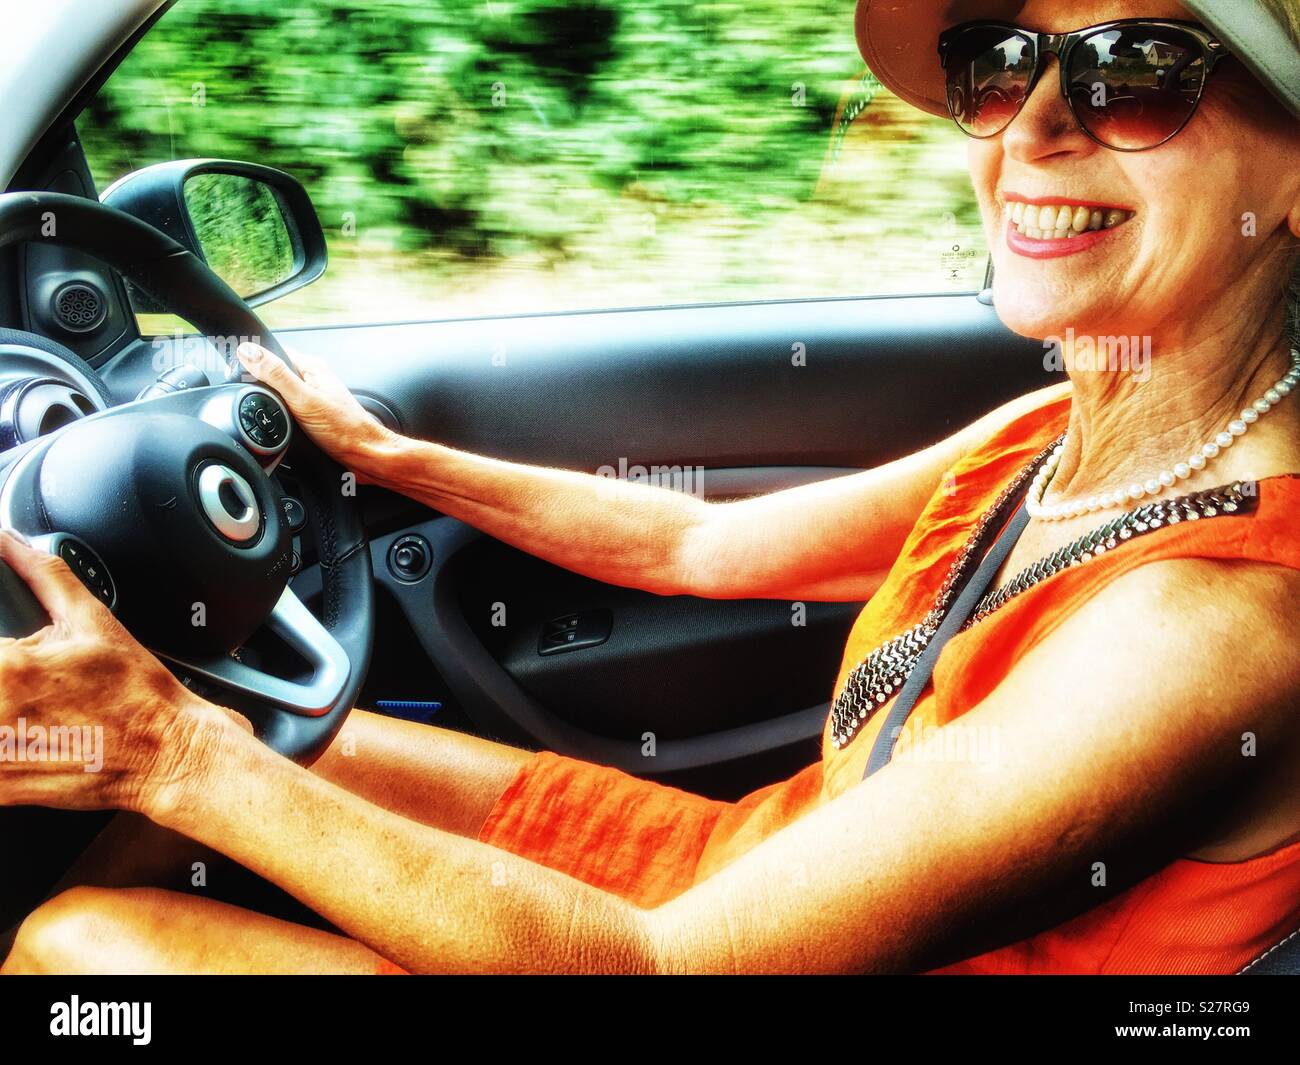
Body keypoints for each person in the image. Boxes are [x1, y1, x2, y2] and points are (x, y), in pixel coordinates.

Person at [3, 0, 1300, 975]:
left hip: (692, 946)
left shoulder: (1208, 631)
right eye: (1001, 66)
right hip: (738, 868)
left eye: (1136, 71)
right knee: (281, 739)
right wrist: (393, 457)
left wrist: (168, 748)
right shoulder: (1055, 426)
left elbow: (660, 962)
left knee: (82, 938)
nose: (1034, 125)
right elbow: (697, 543)